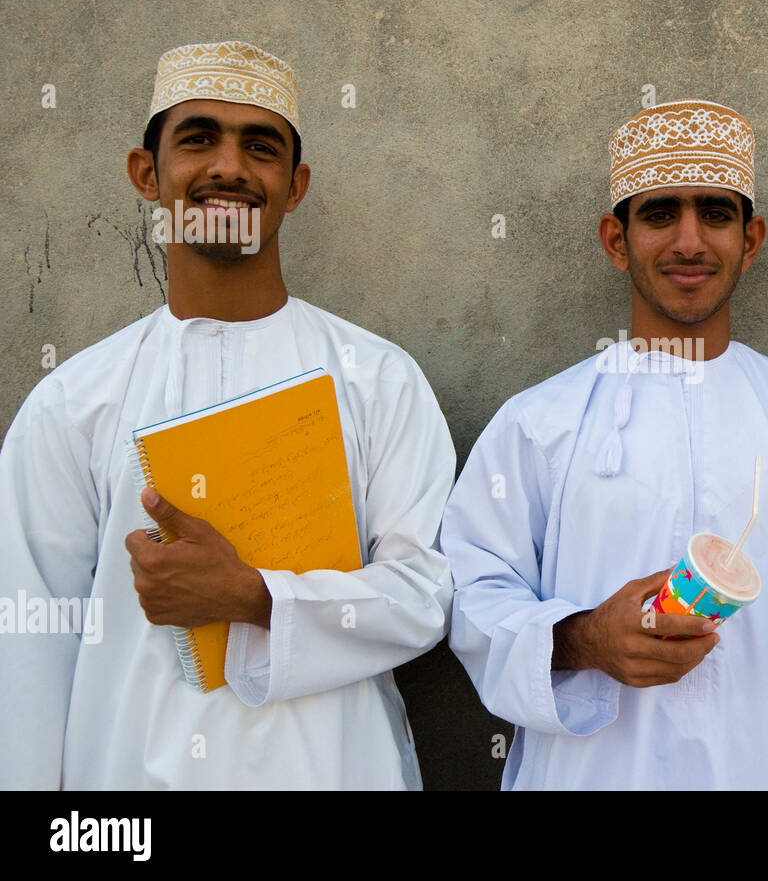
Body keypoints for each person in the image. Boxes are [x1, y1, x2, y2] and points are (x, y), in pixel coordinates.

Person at [0, 41, 455, 789]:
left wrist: (254, 596)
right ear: (147, 174)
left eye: (261, 146)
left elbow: (425, 596)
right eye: (198, 138)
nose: (230, 167)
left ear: (295, 185)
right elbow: (27, 651)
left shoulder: (377, 378)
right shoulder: (73, 403)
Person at [441, 99, 768, 789]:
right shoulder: (540, 422)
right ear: (616, 241)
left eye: (714, 212)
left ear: (752, 237)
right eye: (658, 214)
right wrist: (582, 638)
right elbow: (472, 596)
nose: (688, 241)